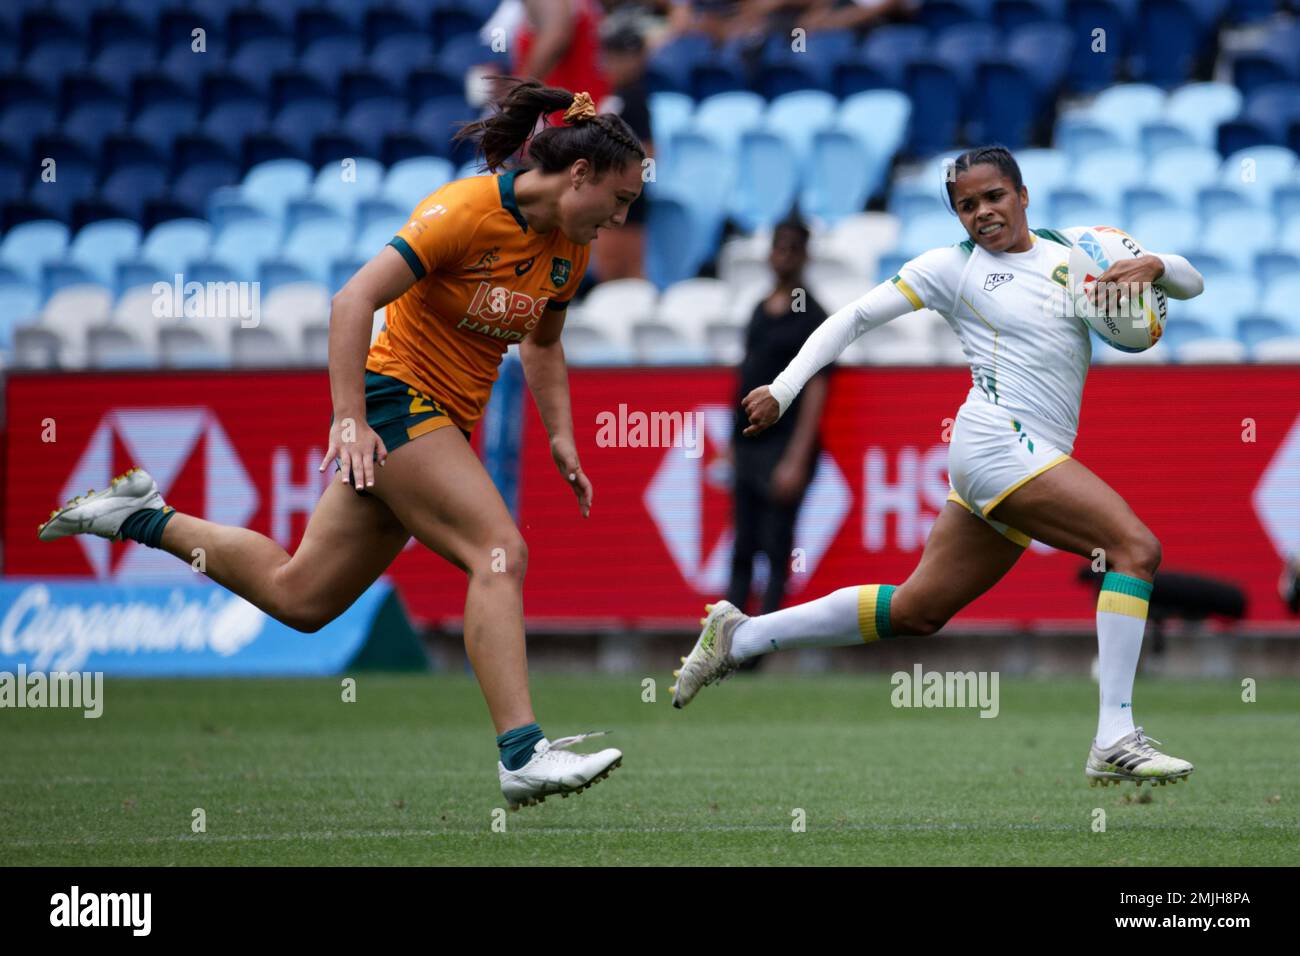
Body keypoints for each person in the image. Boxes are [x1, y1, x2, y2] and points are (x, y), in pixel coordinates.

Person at [38, 80, 647, 812]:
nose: (621, 218)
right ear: (578, 175)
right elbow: (352, 300)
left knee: (302, 598)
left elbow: (543, 345)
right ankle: (522, 753)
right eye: (618, 199)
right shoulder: (465, 210)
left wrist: (561, 436)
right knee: (499, 552)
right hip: (393, 402)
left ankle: (139, 516)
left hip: (439, 424)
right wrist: (349, 419)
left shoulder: (567, 252)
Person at [671, 145, 1206, 789]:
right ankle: (1114, 735)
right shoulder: (951, 270)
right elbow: (852, 318)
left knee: (919, 610)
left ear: (1023, 194)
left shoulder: (1080, 250)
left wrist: (1155, 264)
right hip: (995, 443)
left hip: (1026, 453)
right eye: (967, 205)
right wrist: (783, 391)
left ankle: (742, 637)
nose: (982, 213)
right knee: (1135, 549)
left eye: (994, 197)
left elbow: (1190, 283)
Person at [725, 213, 830, 664]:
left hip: (783, 446)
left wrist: (796, 458)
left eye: (791, 247)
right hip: (748, 445)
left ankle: (762, 647)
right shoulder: (757, 309)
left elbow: (818, 388)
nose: (782, 255)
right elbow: (744, 376)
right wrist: (731, 444)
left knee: (776, 544)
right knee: (742, 545)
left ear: (804, 255)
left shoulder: (812, 313)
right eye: (778, 246)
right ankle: (726, 641)